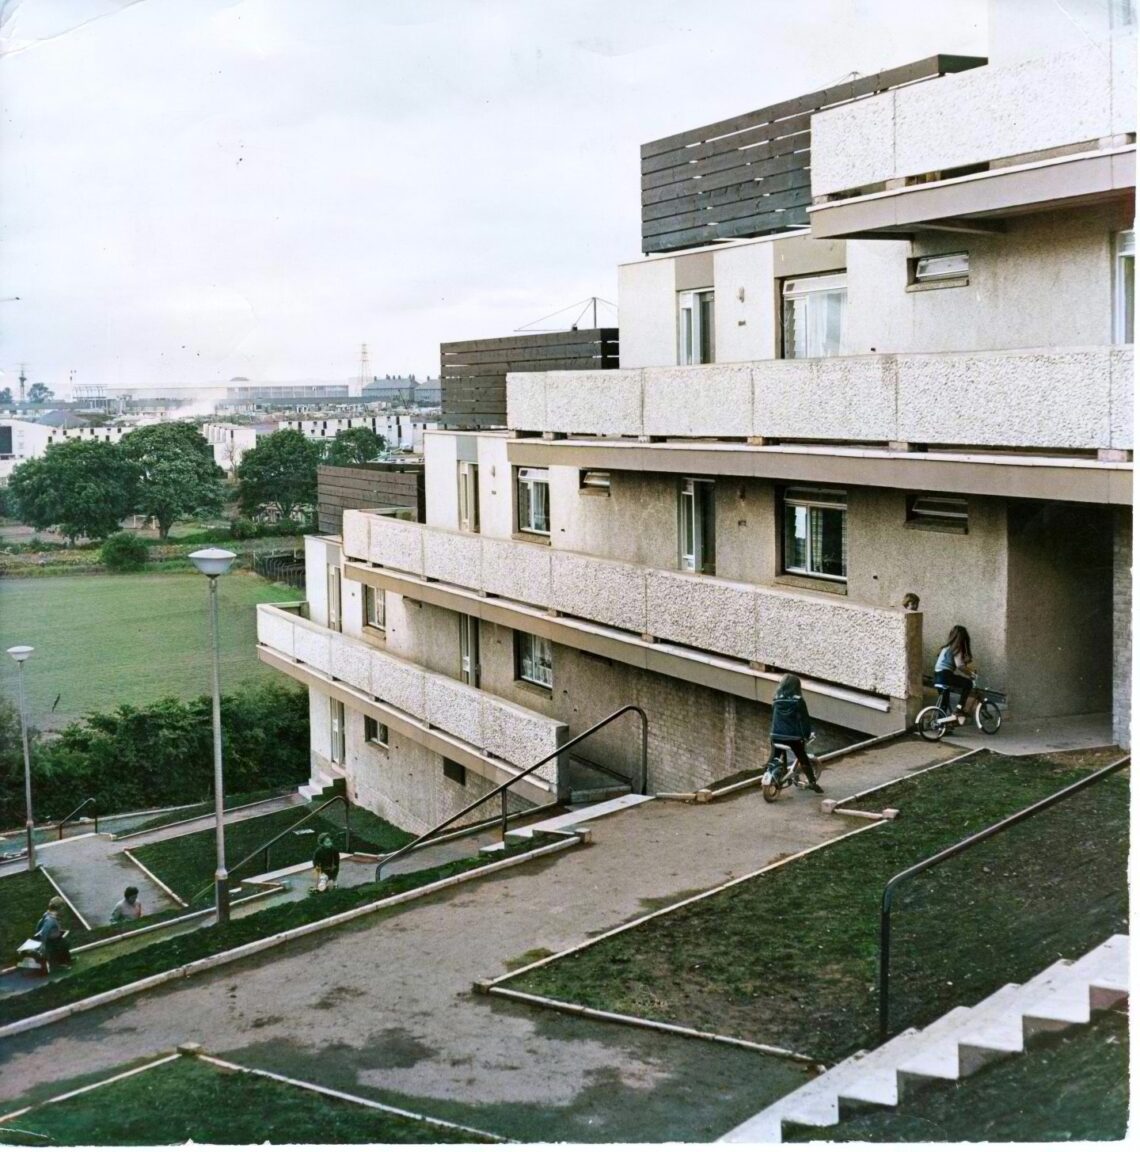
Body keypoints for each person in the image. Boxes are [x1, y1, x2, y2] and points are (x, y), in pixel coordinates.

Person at [768, 673, 823, 793]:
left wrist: (773, 734)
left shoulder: (776, 699)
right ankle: (812, 782)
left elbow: (773, 719)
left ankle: (773, 773)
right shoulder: (798, 701)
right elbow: (804, 721)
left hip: (776, 736)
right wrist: (806, 735)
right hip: (793, 737)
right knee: (802, 757)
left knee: (775, 757)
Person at [934, 624, 976, 721]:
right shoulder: (957, 649)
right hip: (945, 675)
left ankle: (940, 724)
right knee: (968, 683)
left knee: (944, 702)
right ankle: (959, 709)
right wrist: (971, 674)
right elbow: (960, 666)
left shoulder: (946, 648)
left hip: (937, 676)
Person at [34, 896, 71, 972]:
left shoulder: (47, 915)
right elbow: (45, 931)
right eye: (63, 909)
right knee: (61, 947)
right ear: (59, 908)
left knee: (64, 944)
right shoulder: (51, 920)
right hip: (51, 941)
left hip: (54, 938)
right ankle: (59, 965)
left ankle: (66, 960)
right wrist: (43, 944)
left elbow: (38, 926)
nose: (63, 911)